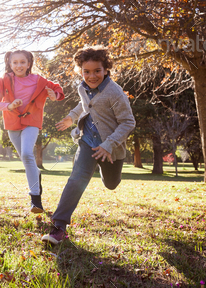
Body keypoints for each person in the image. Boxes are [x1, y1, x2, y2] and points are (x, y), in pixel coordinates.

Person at [41, 46, 135, 244]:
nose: (92, 76)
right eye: (86, 71)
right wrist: (71, 117)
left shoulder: (115, 93)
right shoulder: (82, 87)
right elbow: (84, 105)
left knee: (111, 184)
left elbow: (128, 122)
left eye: (97, 71)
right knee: (76, 179)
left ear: (106, 70)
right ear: (80, 71)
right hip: (87, 141)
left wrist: (109, 144)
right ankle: (59, 226)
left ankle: (103, 168)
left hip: (110, 148)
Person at [0, 50, 65, 213]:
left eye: (22, 62)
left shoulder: (38, 80)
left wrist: (54, 95)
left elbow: (57, 90)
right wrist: (8, 106)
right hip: (12, 122)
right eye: (15, 62)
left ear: (29, 64)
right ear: (10, 64)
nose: (19, 66)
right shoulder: (3, 81)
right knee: (26, 159)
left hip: (32, 121)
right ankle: (36, 174)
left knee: (26, 154)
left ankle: (35, 200)